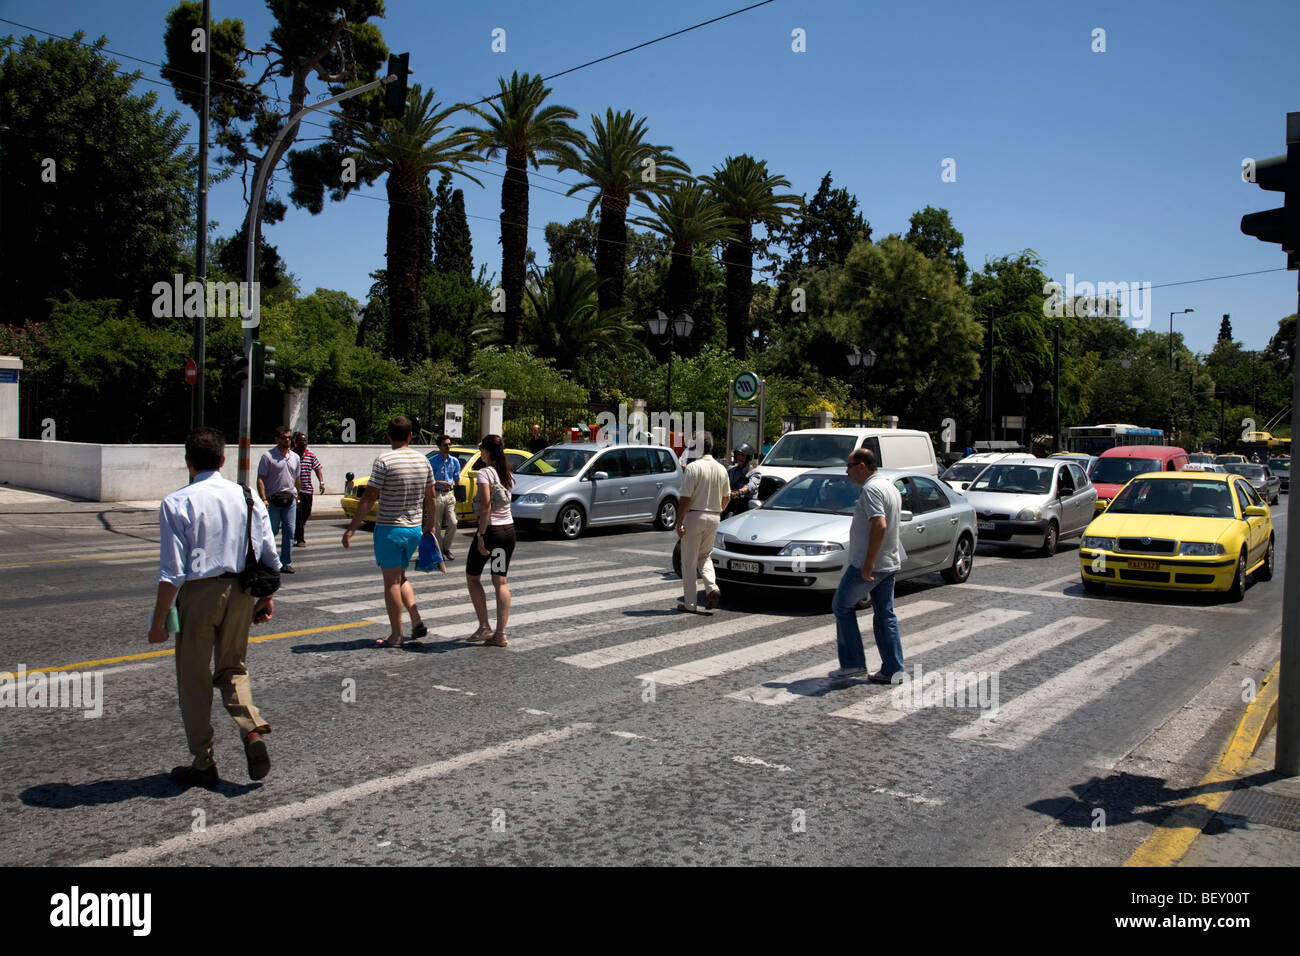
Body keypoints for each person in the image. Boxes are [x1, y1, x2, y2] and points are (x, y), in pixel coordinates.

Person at [150, 427, 277, 787]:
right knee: (233, 668)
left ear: (189, 463)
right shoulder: (247, 496)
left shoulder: (177, 503)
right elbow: (267, 552)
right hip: (241, 591)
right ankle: (251, 731)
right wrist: (266, 597)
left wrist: (158, 621)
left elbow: (171, 572)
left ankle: (204, 762)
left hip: (199, 593)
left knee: (194, 679)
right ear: (223, 460)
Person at [342, 415, 436, 647]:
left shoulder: (385, 461)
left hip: (389, 529)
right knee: (401, 576)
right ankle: (416, 621)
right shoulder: (423, 461)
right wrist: (430, 525)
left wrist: (352, 528)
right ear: (411, 435)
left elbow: (369, 496)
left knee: (391, 582)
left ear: (388, 436)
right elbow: (431, 496)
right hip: (413, 529)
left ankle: (396, 635)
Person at [829, 448, 906, 683]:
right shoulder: (889, 486)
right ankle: (893, 669)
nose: (847, 470)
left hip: (870, 563)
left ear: (862, 466)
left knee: (842, 606)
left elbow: (880, 524)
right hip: (889, 561)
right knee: (885, 615)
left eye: (850, 465)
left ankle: (853, 664)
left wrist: (868, 564)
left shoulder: (871, 489)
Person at [465, 434, 515, 646]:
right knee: (500, 580)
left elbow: (485, 505)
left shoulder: (484, 473)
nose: (480, 452)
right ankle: (500, 633)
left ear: (486, 451)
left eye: (481, 449)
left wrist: (480, 535)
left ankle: (485, 626)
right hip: (507, 532)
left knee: (473, 577)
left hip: (491, 532)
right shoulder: (506, 473)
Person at [676, 431, 730, 612]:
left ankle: (690, 603)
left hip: (694, 516)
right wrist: (717, 510)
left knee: (689, 561)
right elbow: (727, 497)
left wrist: (679, 521)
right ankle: (712, 587)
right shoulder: (721, 468)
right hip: (714, 516)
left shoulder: (693, 467)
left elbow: (685, 498)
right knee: (705, 556)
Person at [256, 425, 299, 573]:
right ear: (276, 439)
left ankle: (286, 562)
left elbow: (297, 478)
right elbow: (261, 478)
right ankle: (268, 560)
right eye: (283, 437)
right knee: (271, 531)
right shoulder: (268, 457)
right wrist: (263, 498)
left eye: (289, 437)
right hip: (273, 499)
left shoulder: (295, 457)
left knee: (290, 531)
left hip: (290, 499)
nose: (287, 440)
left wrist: (297, 496)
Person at [430, 434, 462, 561]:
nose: (448, 447)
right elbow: (429, 480)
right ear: (439, 446)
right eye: (445, 445)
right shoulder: (432, 461)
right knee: (436, 525)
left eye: (449, 444)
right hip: (437, 494)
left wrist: (459, 495)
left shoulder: (454, 461)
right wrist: (439, 482)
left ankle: (446, 548)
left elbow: (457, 478)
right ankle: (439, 550)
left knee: (453, 522)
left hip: (449, 494)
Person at [292, 431, 324, 548]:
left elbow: (317, 469)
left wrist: (321, 482)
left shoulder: (310, 454)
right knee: (298, 514)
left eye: (305, 440)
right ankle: (300, 539)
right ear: (295, 442)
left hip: (307, 490)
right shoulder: (291, 455)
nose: (304, 443)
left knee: (306, 513)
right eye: (301, 440)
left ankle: (297, 531)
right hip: (295, 491)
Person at [723, 443, 761, 519]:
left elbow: (751, 486)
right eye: (738, 455)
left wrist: (739, 492)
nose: (740, 457)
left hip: (746, 505)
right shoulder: (731, 470)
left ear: (748, 457)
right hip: (731, 501)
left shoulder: (755, 472)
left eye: (743, 455)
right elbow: (724, 483)